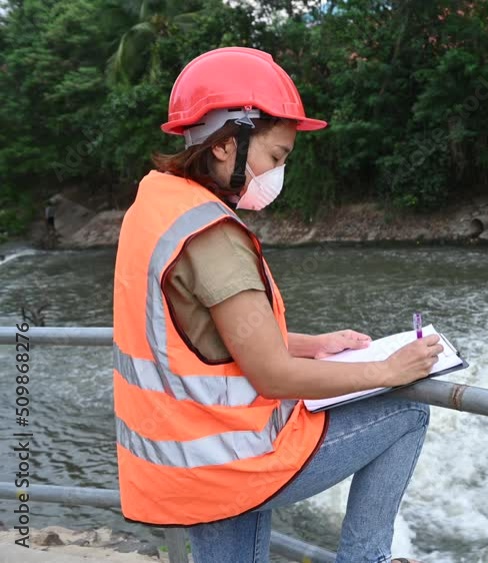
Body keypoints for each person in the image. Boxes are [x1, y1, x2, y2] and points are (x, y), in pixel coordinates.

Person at [111, 47, 439, 563]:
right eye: (276, 157)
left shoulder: (157, 205)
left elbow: (205, 341)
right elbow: (272, 376)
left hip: (184, 455)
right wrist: (388, 370)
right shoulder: (211, 235)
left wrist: (316, 345)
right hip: (227, 460)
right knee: (408, 410)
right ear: (225, 144)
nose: (278, 174)